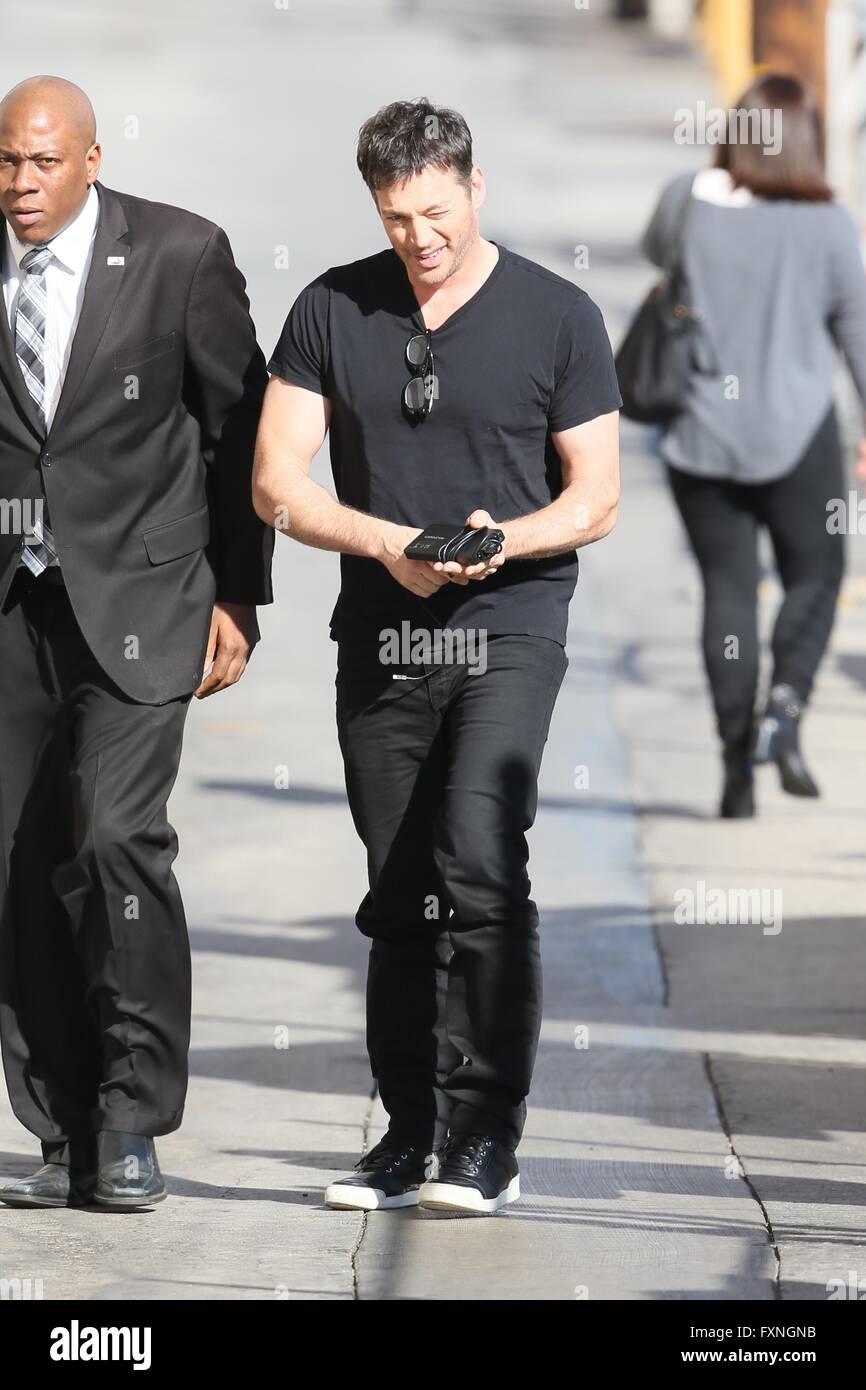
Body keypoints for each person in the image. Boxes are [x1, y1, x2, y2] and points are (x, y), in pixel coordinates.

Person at [253, 98, 620, 1214]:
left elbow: (594, 499)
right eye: (394, 215)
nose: (418, 237)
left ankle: (482, 1138)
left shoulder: (558, 315)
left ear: (473, 186)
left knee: (476, 850)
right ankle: (408, 1131)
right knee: (397, 883)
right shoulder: (331, 305)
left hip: (510, 623)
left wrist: (492, 542)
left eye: (434, 210)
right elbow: (277, 481)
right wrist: (389, 545)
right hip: (380, 628)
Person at [0, 76, 273, 1210]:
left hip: (144, 601)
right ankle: (58, 1122)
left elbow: (238, 424)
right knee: (15, 868)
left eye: (44, 163)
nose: (21, 184)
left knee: (115, 844)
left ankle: (131, 1118)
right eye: (7, 162)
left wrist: (239, 597)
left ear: (93, 159)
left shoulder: (178, 256)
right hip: (13, 611)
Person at [641, 72, 866, 817]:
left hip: (700, 437)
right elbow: (858, 336)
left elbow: (654, 249)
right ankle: (788, 706)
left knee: (728, 593)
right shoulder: (831, 226)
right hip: (800, 439)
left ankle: (734, 768)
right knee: (816, 572)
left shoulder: (687, 198)